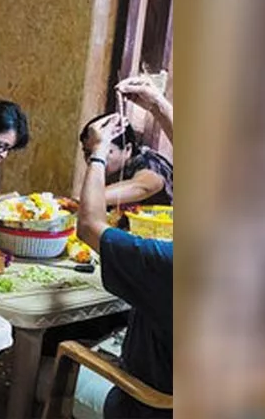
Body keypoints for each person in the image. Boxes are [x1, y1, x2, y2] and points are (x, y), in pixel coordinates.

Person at [76, 76, 174, 418]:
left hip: (147, 403)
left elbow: (89, 226)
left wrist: (98, 156)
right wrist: (158, 105)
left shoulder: (168, 261)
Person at [78, 79, 173, 208]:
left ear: (127, 149)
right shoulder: (106, 171)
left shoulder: (148, 162)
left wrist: (87, 198)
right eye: (88, 153)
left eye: (104, 151)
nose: (91, 159)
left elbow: (144, 187)